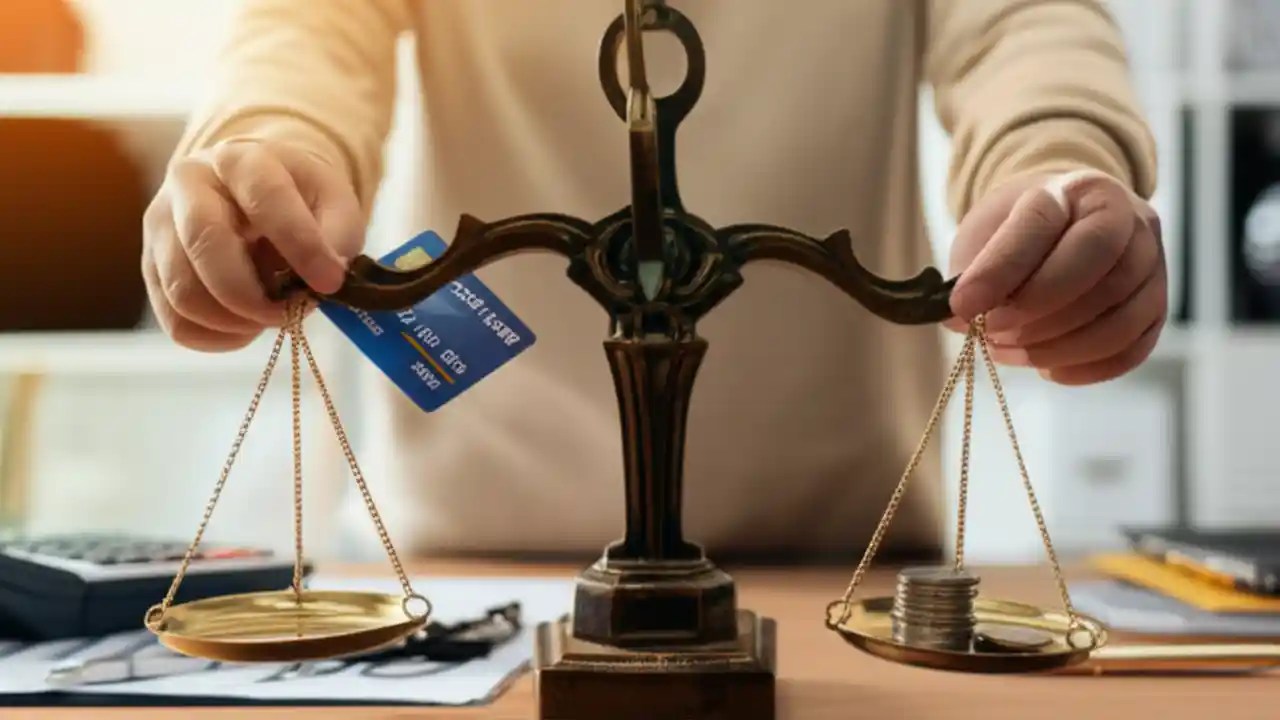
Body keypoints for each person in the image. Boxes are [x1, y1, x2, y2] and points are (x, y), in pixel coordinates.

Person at [141, 1, 1165, 561]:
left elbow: (1020, 21)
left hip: (832, 558)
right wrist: (271, 144)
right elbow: (310, 25)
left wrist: (1053, 161)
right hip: (467, 559)